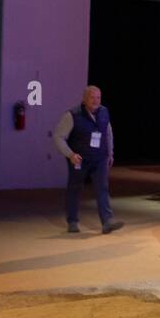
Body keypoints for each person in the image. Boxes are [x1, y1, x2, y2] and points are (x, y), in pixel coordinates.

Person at [54, 85, 123, 234]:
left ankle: (107, 221)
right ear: (84, 99)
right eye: (92, 97)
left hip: (99, 159)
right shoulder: (72, 115)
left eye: (98, 97)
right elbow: (58, 137)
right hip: (79, 159)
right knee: (75, 189)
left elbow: (108, 133)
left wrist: (110, 153)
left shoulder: (104, 112)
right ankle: (72, 221)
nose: (95, 101)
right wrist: (70, 154)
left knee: (102, 188)